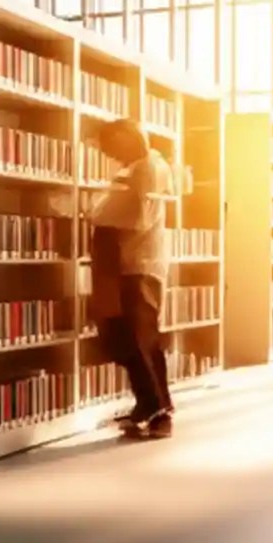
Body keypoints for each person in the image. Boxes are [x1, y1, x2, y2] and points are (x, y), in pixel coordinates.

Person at [88, 119, 175, 438]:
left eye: (113, 146)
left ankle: (159, 412)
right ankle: (149, 404)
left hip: (137, 265)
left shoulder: (147, 167)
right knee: (128, 337)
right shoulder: (140, 167)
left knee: (140, 339)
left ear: (128, 137)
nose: (112, 154)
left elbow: (134, 214)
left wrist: (95, 212)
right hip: (129, 265)